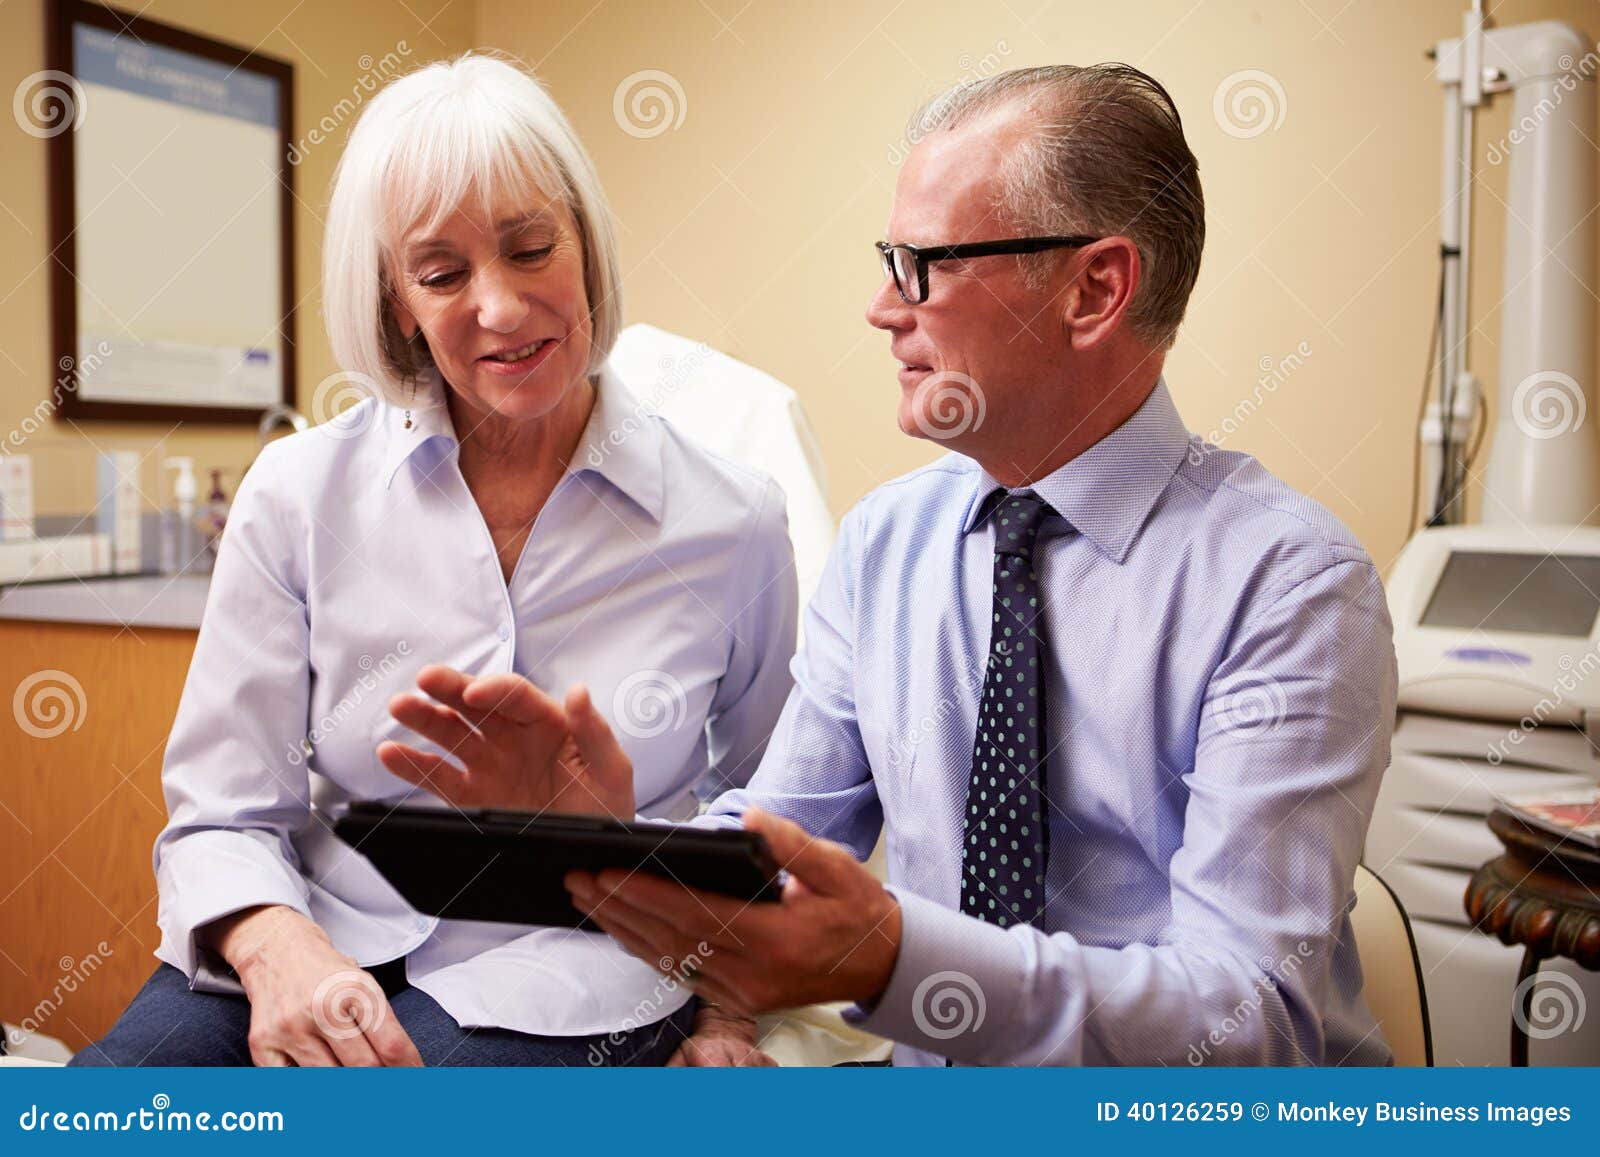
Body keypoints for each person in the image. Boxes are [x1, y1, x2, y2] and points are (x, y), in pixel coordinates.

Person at [390, 63, 1398, 1066]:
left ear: (1095, 288)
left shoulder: (1291, 585)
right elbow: (775, 838)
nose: (882, 307)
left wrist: (893, 962)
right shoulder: (887, 544)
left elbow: (1248, 1020)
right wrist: (607, 836)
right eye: (889, 259)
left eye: (925, 263)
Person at [70, 53, 795, 1068]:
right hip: (320, 925)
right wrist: (276, 947)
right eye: (442, 273)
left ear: (586, 247)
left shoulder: (733, 521)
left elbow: (777, 813)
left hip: (579, 966)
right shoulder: (297, 494)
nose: (497, 308)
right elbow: (223, 810)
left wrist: (726, 1013)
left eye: (531, 247)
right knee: (110, 1101)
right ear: (398, 301)